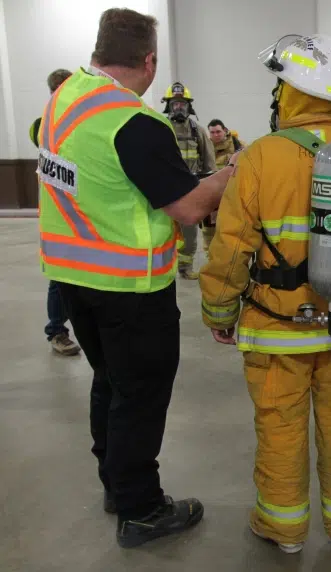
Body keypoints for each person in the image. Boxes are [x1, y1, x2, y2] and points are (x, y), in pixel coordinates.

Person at [37, 7, 235, 547]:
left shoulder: (65, 97)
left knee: (110, 382)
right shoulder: (135, 123)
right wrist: (229, 175)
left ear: (98, 53)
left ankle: (116, 485)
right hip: (130, 287)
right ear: (149, 61)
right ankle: (142, 509)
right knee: (140, 396)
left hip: (73, 276)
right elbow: (189, 207)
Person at [199, 32, 331, 553]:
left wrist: (218, 310)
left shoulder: (258, 158)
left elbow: (231, 248)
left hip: (277, 328)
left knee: (280, 428)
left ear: (288, 93)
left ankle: (283, 529)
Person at [28, 68, 81, 357]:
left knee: (82, 279)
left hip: (82, 216)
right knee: (60, 280)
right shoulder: (44, 124)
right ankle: (57, 331)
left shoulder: (79, 120)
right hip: (59, 219)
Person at [161, 81, 216, 279]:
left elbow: (209, 162)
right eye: (175, 104)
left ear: (189, 106)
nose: (178, 108)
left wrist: (209, 189)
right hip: (163, 189)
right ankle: (163, 267)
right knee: (162, 230)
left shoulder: (197, 130)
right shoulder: (160, 127)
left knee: (189, 233)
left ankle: (185, 268)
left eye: (182, 104)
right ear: (169, 106)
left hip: (189, 190)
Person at [202, 119, 244, 258]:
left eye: (218, 131)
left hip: (232, 196)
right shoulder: (205, 147)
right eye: (212, 132)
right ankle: (211, 259)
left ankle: (231, 258)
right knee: (209, 231)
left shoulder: (238, 146)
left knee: (231, 229)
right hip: (211, 197)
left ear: (225, 131)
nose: (215, 135)